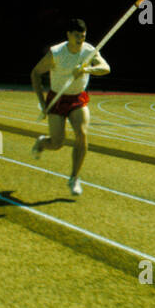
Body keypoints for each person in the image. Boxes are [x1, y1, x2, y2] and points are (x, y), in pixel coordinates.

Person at [30, 18, 110, 195]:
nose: (80, 40)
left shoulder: (89, 51)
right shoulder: (57, 53)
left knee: (82, 134)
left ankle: (74, 178)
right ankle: (42, 142)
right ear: (68, 35)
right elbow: (35, 73)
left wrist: (86, 70)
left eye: (82, 36)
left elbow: (106, 68)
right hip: (57, 99)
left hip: (77, 99)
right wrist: (43, 103)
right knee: (57, 143)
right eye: (76, 36)